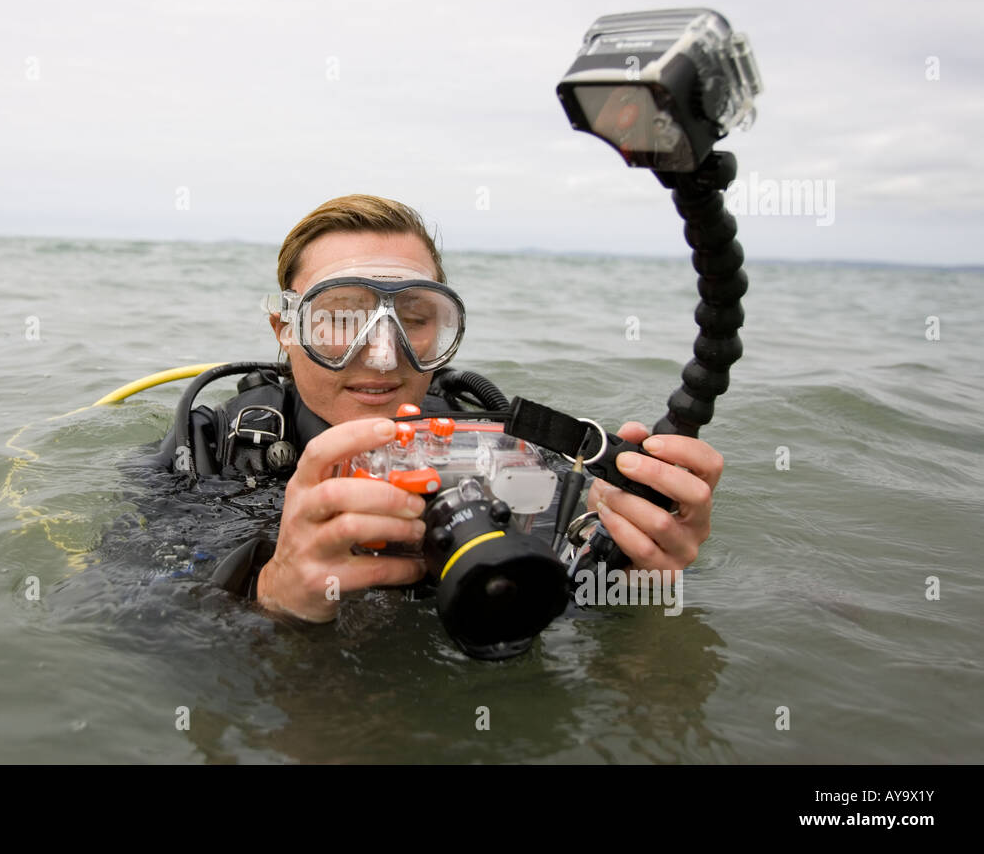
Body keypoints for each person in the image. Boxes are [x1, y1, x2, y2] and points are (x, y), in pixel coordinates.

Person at [156, 194, 723, 624]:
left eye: (416, 319)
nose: (381, 357)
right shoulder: (212, 447)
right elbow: (134, 625)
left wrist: (634, 578)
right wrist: (272, 598)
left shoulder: (498, 449)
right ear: (286, 329)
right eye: (342, 318)